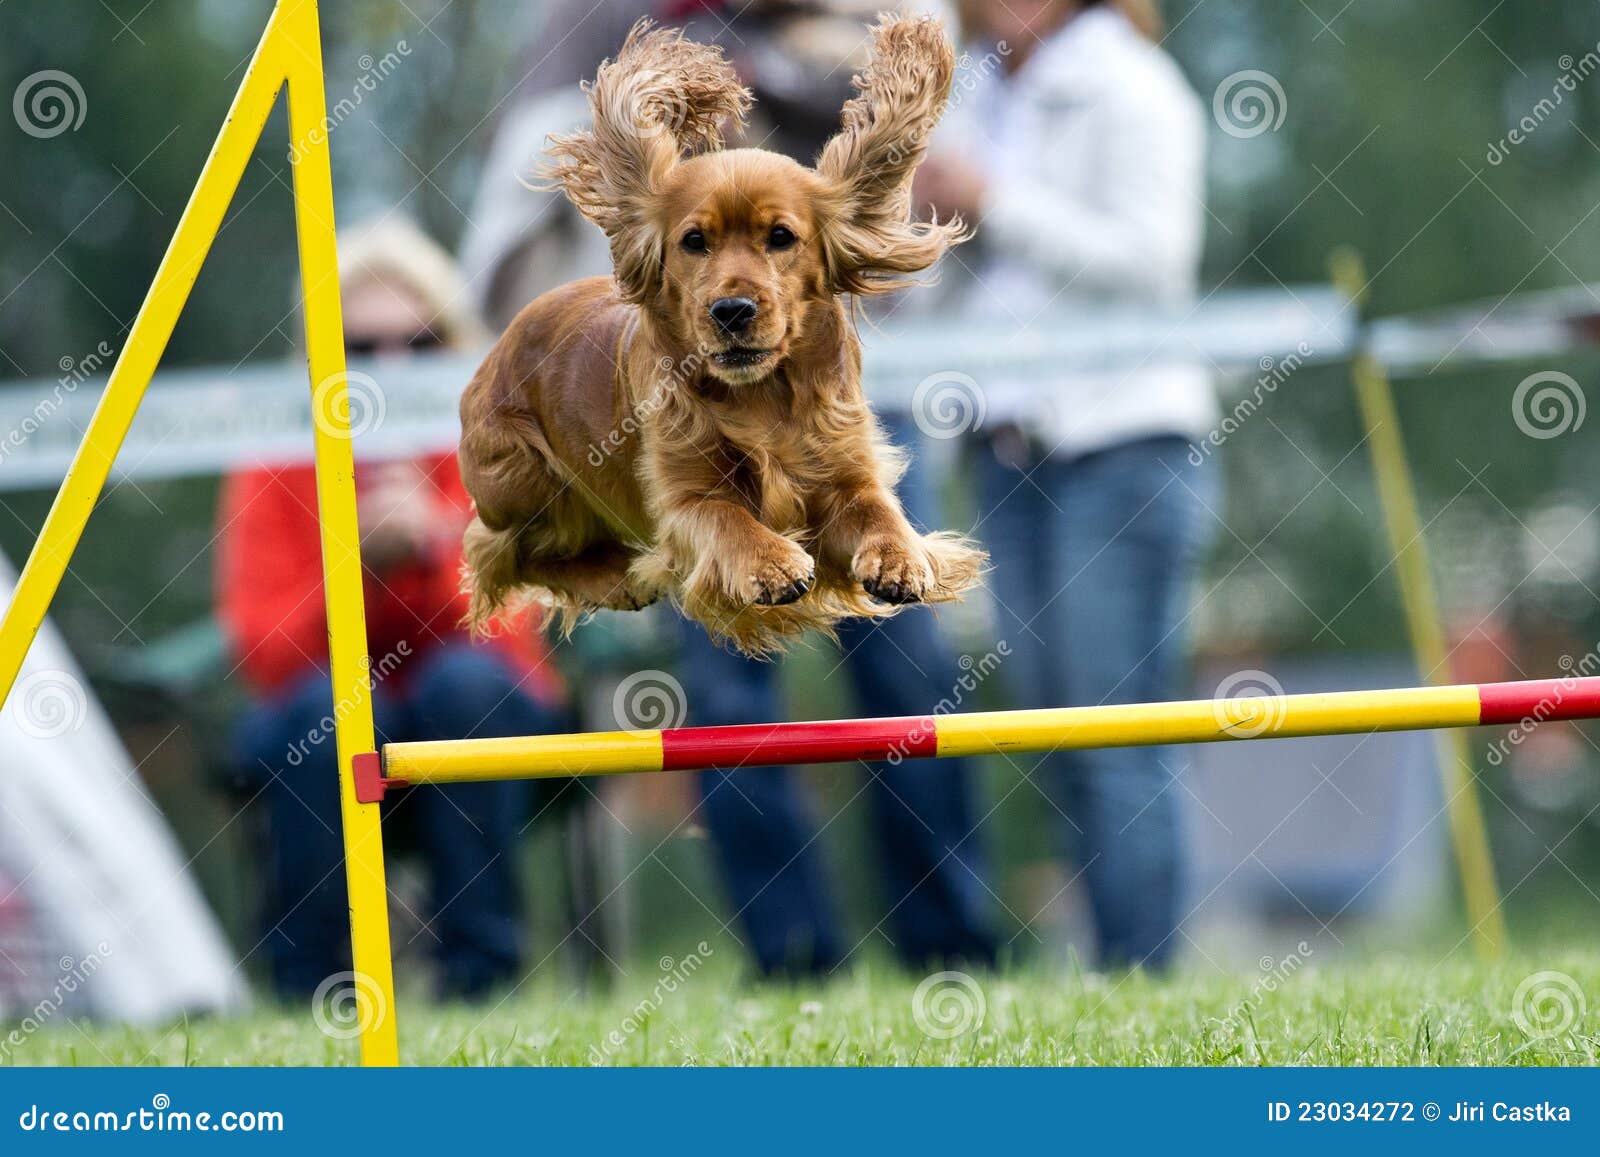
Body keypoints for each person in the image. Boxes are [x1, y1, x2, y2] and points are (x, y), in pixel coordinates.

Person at [465, 0, 997, 975]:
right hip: (663, 382)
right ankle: (792, 957)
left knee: (905, 664)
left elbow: (925, 150)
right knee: (722, 687)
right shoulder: (590, 23)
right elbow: (513, 190)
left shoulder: (848, 18)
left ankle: (953, 948)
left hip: (846, 372)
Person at [917, 0, 1217, 968]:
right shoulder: (976, 99)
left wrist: (992, 201)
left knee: (1115, 736)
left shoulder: (1133, 84)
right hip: (1011, 455)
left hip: (1121, 448)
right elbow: (969, 286)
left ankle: (1143, 978)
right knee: (1057, 732)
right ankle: (1115, 968)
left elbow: (1153, 261)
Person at [217, 218, 566, 999]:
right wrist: (358, 567)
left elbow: (511, 628)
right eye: (362, 347)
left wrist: (431, 555)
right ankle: (312, 991)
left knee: (467, 688)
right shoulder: (275, 456)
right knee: (333, 713)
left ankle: (481, 981)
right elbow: (264, 651)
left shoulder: (493, 443)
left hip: (474, 707)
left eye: (419, 341)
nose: (391, 365)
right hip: (329, 720)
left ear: (451, 344)